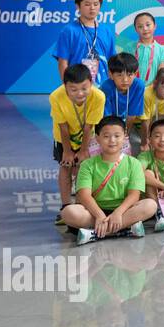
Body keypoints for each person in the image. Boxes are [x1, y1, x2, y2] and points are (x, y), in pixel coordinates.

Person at [60, 116, 158, 243]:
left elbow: (134, 195)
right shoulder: (88, 164)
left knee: (150, 205)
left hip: (124, 211)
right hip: (94, 212)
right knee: (68, 212)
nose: (112, 140)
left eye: (117, 136)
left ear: (125, 137)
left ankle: (96, 233)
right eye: (106, 136)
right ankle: (123, 230)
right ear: (97, 138)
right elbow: (84, 196)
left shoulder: (133, 163)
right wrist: (99, 215)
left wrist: (117, 213)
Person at [50, 63, 105, 223]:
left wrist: (83, 150)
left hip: (87, 137)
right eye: (73, 89)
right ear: (65, 87)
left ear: (91, 83)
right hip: (63, 136)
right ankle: (65, 206)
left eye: (84, 88)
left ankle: (81, 206)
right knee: (65, 166)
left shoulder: (99, 96)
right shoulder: (55, 96)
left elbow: (89, 126)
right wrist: (67, 150)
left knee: (84, 168)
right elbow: (62, 126)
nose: (80, 93)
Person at [53, 0, 116, 83]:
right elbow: (63, 62)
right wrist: (67, 85)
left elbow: (112, 60)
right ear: (77, 6)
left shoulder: (106, 31)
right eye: (87, 4)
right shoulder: (69, 31)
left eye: (96, 4)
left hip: (103, 85)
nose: (92, 8)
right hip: (78, 85)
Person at [99, 52, 146, 148]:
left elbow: (132, 115)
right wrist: (114, 136)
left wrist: (124, 134)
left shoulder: (138, 86)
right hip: (108, 123)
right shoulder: (106, 87)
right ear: (110, 74)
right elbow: (106, 118)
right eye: (120, 75)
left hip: (126, 124)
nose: (125, 80)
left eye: (129, 75)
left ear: (135, 74)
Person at [131, 11, 164, 82]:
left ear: (155, 26)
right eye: (140, 26)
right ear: (136, 29)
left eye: (148, 25)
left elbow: (162, 74)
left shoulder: (162, 50)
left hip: (152, 90)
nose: (145, 29)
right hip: (133, 88)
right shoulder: (129, 47)